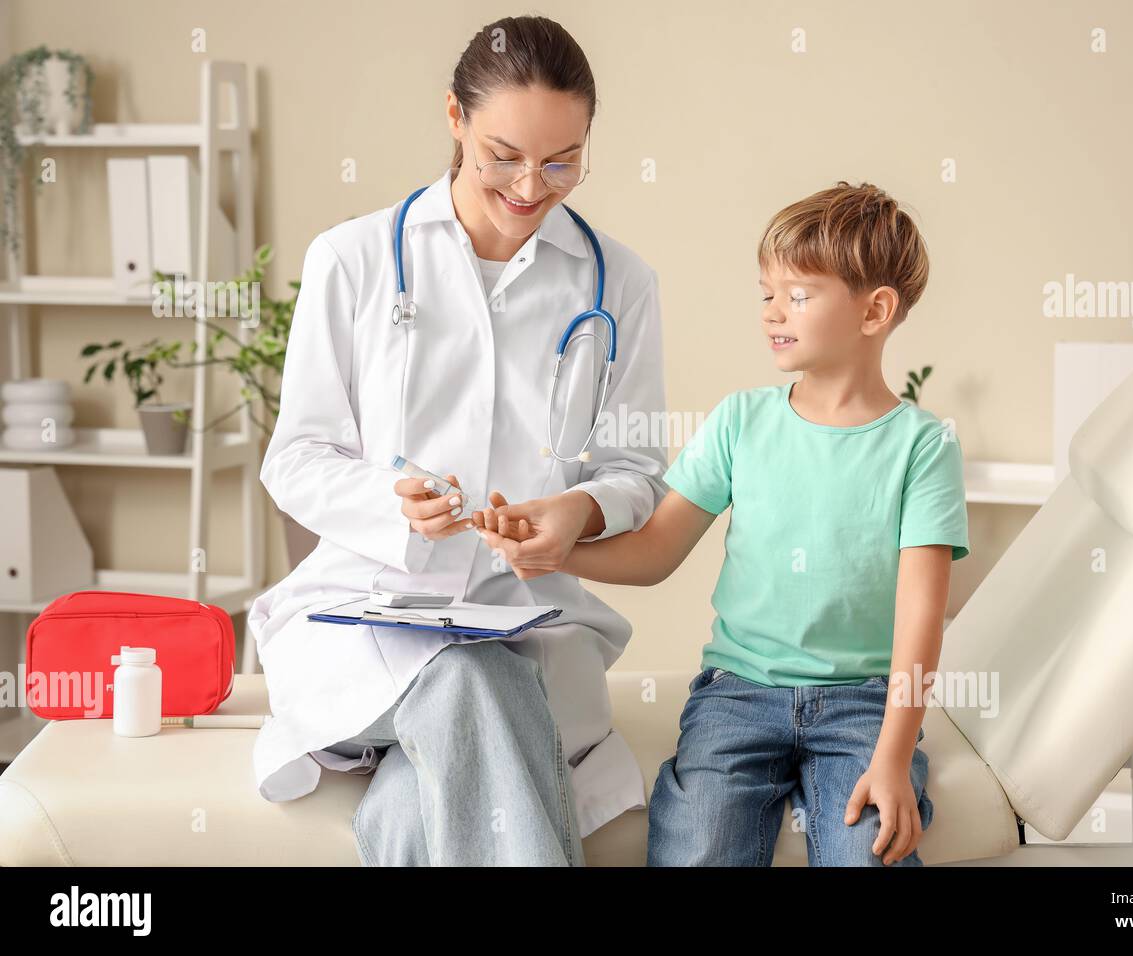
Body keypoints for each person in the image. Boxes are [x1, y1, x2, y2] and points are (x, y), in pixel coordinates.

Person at [246, 15, 668, 866]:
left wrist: (580, 510)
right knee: (472, 679)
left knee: (415, 806)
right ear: (453, 118)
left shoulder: (618, 280)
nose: (530, 185)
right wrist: (386, 503)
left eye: (562, 161)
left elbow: (637, 470)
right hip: (362, 620)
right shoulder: (356, 258)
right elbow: (294, 458)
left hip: (531, 621)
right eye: (503, 154)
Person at [479, 182, 969, 866]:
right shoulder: (740, 421)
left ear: (875, 310)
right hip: (739, 695)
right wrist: (560, 553)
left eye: (796, 295)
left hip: (861, 704)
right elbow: (654, 551)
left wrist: (891, 757)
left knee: (867, 850)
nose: (772, 312)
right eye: (765, 292)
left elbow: (921, 618)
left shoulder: (922, 446)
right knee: (699, 842)